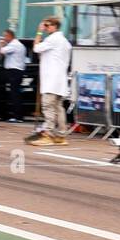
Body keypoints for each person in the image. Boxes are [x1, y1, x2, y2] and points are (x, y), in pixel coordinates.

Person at [31, 17, 71, 146]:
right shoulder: (64, 41)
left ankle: (48, 134)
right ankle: (61, 135)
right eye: (45, 25)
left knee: (48, 107)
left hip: (51, 80)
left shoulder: (52, 39)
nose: (46, 28)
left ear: (54, 26)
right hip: (60, 81)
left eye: (47, 25)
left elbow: (36, 48)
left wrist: (39, 32)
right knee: (58, 108)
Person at [0, 28, 27, 122]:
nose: (4, 38)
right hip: (17, 71)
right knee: (15, 93)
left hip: (14, 71)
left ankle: (17, 116)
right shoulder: (18, 45)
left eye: (5, 36)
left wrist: (1, 45)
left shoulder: (14, 45)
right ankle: (17, 115)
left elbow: (2, 51)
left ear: (9, 36)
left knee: (15, 94)